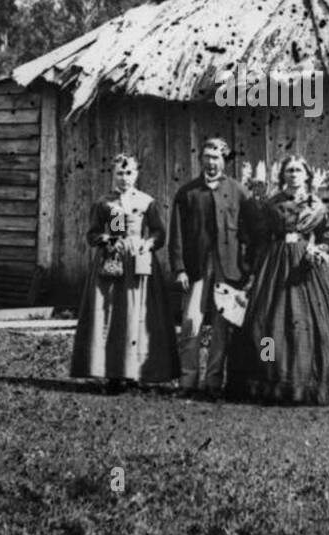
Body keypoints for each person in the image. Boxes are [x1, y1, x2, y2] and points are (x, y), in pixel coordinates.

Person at [233, 155, 329, 405]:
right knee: (268, 322)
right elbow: (261, 237)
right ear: (283, 175)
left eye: (298, 170)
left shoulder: (317, 205)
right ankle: (268, 376)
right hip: (276, 264)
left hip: (306, 266)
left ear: (306, 175)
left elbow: (328, 233)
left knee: (309, 324)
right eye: (289, 170)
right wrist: (254, 271)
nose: (293, 174)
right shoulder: (272, 203)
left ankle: (309, 380)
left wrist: (322, 250)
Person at [70, 154, 178, 391]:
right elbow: (92, 234)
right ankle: (112, 373)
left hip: (138, 263)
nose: (124, 178)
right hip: (111, 263)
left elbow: (159, 233)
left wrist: (148, 244)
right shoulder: (104, 203)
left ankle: (136, 371)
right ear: (113, 174)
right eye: (119, 173)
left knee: (137, 315)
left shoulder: (146, 202)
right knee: (112, 314)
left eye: (129, 173)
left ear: (137, 174)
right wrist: (107, 238)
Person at [169, 137, 252, 399]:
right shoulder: (188, 193)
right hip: (197, 267)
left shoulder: (239, 192)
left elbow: (249, 233)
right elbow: (177, 235)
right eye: (206, 156)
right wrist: (179, 268)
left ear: (225, 160)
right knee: (192, 321)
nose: (211, 162)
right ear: (201, 159)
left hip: (229, 269)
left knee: (221, 326)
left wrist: (247, 269)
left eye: (216, 157)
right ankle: (188, 380)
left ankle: (213, 381)